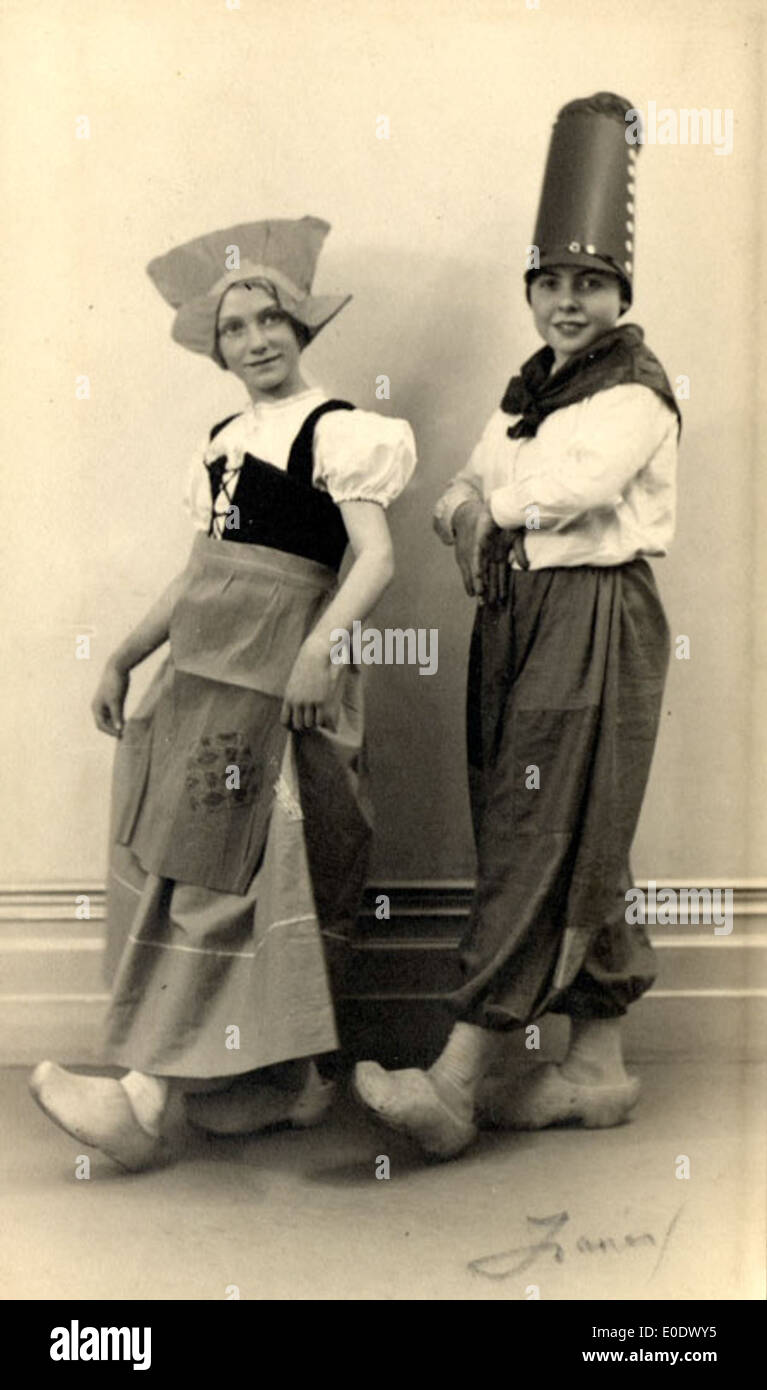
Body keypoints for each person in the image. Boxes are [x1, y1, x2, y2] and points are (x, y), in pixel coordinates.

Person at [30, 216, 416, 1170]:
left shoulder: (342, 432)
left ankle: (143, 1104)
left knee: (231, 870)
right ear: (216, 349)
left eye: (271, 317)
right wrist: (125, 652)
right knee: (204, 867)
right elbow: (199, 571)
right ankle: (287, 1085)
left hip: (281, 673)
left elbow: (375, 556)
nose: (257, 339)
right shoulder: (222, 439)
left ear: (302, 326)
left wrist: (322, 650)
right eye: (235, 327)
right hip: (208, 670)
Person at [353, 93, 681, 1159]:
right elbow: (468, 483)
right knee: (558, 823)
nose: (566, 300)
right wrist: (469, 501)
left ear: (618, 294)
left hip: (589, 614)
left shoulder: (632, 389)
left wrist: (481, 504)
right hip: (519, 613)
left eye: (588, 283)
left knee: (542, 834)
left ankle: (457, 1075)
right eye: (550, 282)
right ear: (530, 291)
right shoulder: (528, 388)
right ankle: (596, 1066)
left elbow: (562, 486)